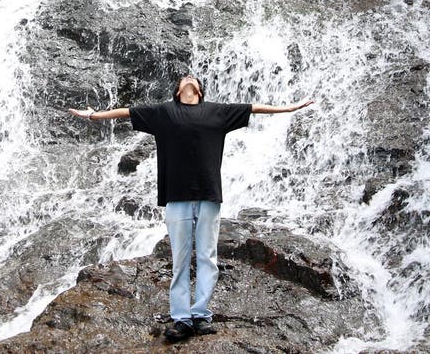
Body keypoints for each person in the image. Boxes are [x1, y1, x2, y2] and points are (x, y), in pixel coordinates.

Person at [70, 75, 314, 342]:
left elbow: (254, 108)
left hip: (209, 195)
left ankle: (201, 314)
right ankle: (181, 318)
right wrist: (93, 115)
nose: (188, 78)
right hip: (176, 197)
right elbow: (127, 112)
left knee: (208, 257)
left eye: (193, 78)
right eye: (184, 79)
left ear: (200, 90)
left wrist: (290, 108)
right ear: (177, 91)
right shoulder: (164, 112)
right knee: (180, 260)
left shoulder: (218, 112)